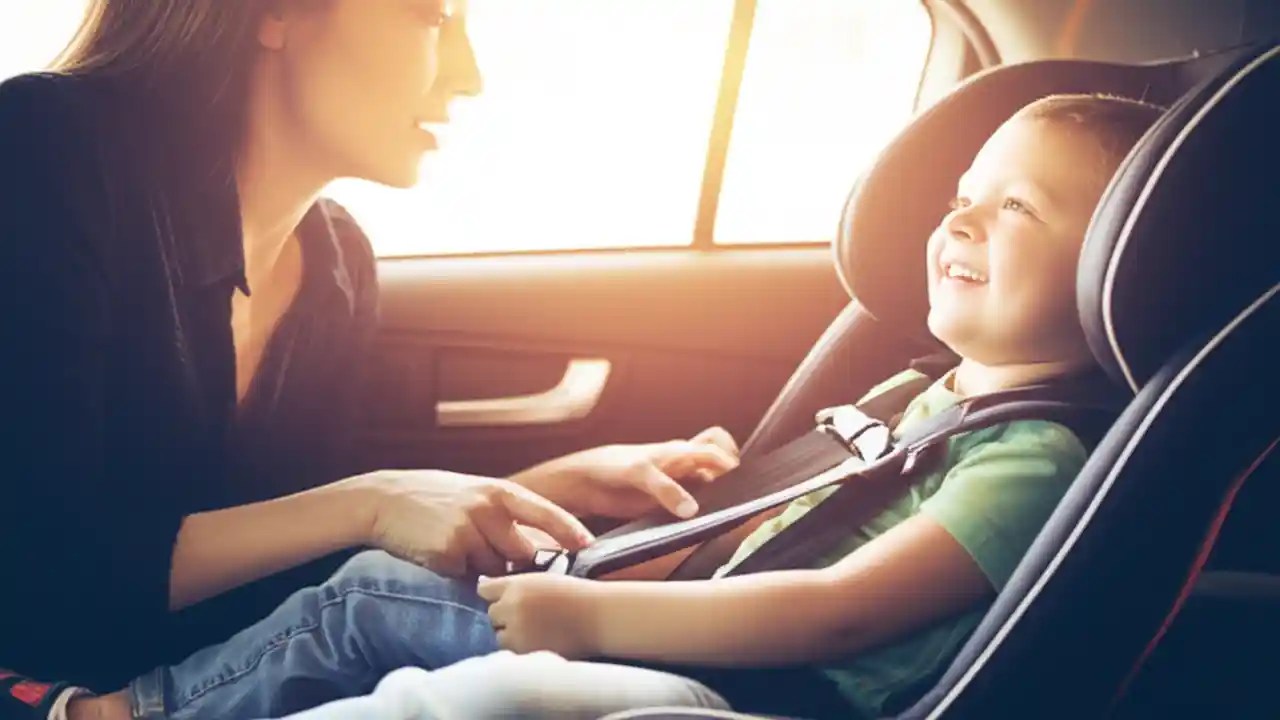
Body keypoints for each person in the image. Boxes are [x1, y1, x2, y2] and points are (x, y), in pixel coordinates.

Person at [39, 93, 1167, 720]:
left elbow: (834, 612)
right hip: (702, 637)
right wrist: (636, 539)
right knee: (379, 596)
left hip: (768, 688)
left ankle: (128, 715)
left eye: (1013, 208)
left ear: (1118, 265)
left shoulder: (1036, 459)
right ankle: (142, 710)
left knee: (419, 655)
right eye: (961, 197)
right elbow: (775, 540)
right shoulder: (916, 392)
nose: (958, 223)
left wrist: (591, 616)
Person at [0, 0, 742, 715]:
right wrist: (371, 504)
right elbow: (37, 574)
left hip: (197, 668)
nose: (468, 76)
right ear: (276, 11)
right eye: (432, 17)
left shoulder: (335, 265)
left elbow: (288, 558)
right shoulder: (50, 148)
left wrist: (539, 492)